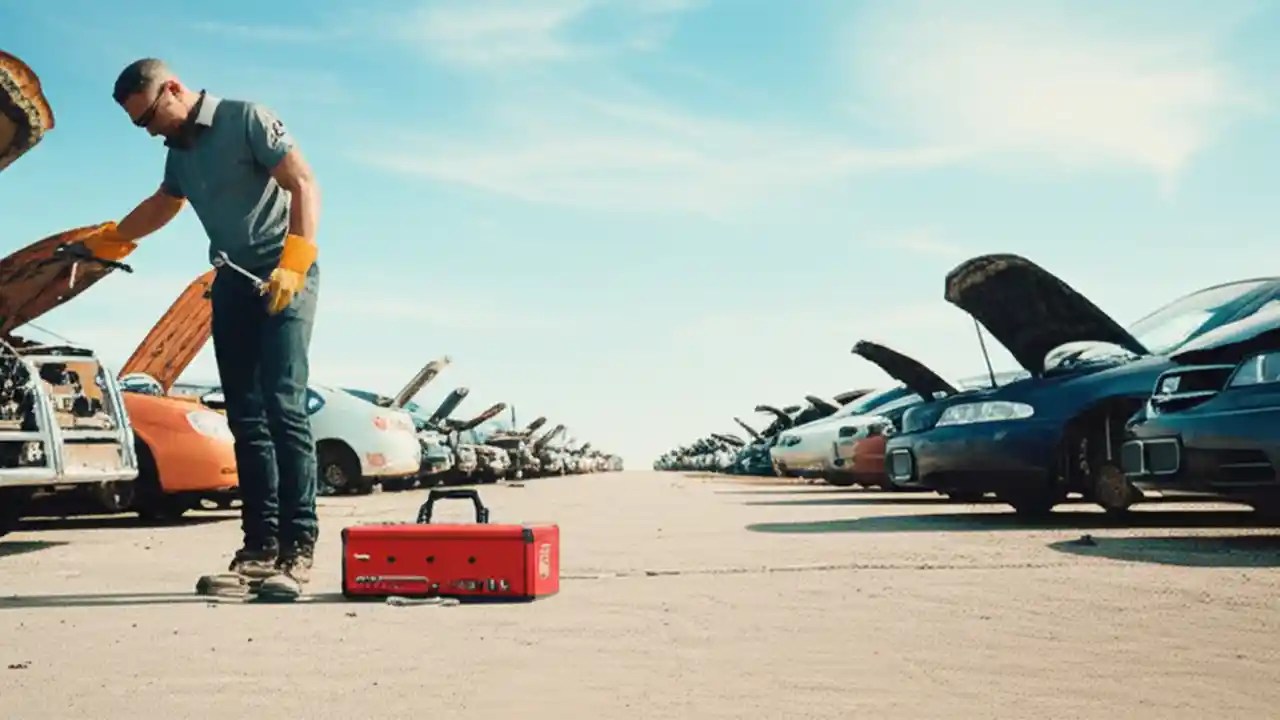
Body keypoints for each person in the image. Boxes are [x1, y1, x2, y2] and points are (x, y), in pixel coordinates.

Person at [81, 58, 322, 601]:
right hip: (232, 281)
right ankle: (259, 551)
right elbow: (165, 203)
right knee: (245, 417)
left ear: (173, 88)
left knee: (283, 407)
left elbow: (303, 182)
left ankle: (297, 550)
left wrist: (296, 260)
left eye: (150, 118)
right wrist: (114, 238)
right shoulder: (179, 152)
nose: (150, 132)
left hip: (284, 274)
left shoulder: (247, 118)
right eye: (139, 126)